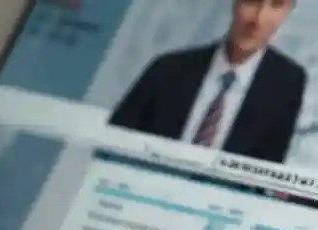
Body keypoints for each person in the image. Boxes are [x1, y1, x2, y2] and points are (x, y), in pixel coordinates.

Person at [108, 0, 306, 164]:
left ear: (288, 12)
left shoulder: (287, 84)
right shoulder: (167, 69)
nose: (259, 19)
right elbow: (111, 143)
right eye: (252, 1)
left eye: (276, 5)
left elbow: (266, 171)